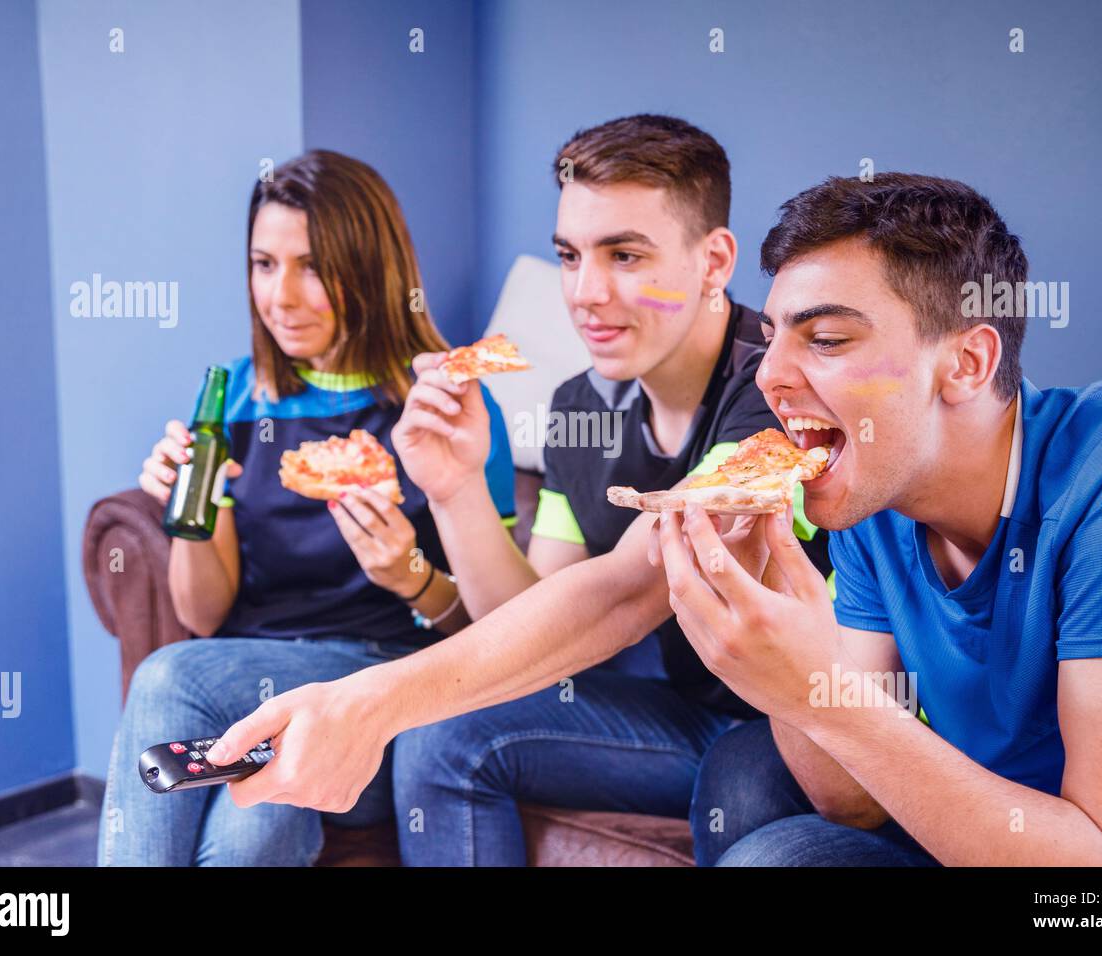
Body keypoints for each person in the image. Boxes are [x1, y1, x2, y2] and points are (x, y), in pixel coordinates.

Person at [201, 117, 826, 866]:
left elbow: (626, 594)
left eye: (625, 255)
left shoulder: (778, 392)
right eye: (570, 255)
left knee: (746, 794)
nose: (587, 293)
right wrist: (457, 486)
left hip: (802, 722)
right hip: (689, 707)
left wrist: (374, 696)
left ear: (713, 261)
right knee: (443, 736)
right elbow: (536, 627)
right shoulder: (579, 409)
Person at [666, 173, 1102, 866]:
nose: (767, 376)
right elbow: (852, 800)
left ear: (967, 362)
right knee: (775, 832)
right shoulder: (872, 498)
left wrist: (816, 690)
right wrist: (780, 631)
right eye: (773, 339)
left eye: (828, 339)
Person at [98, 149, 515, 866]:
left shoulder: (444, 408)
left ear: (371, 269)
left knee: (168, 673)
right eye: (264, 264)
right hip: (245, 686)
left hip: (382, 690)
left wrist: (411, 575)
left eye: (313, 266)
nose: (281, 296)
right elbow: (202, 615)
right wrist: (195, 509)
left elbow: (500, 635)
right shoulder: (233, 396)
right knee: (262, 823)